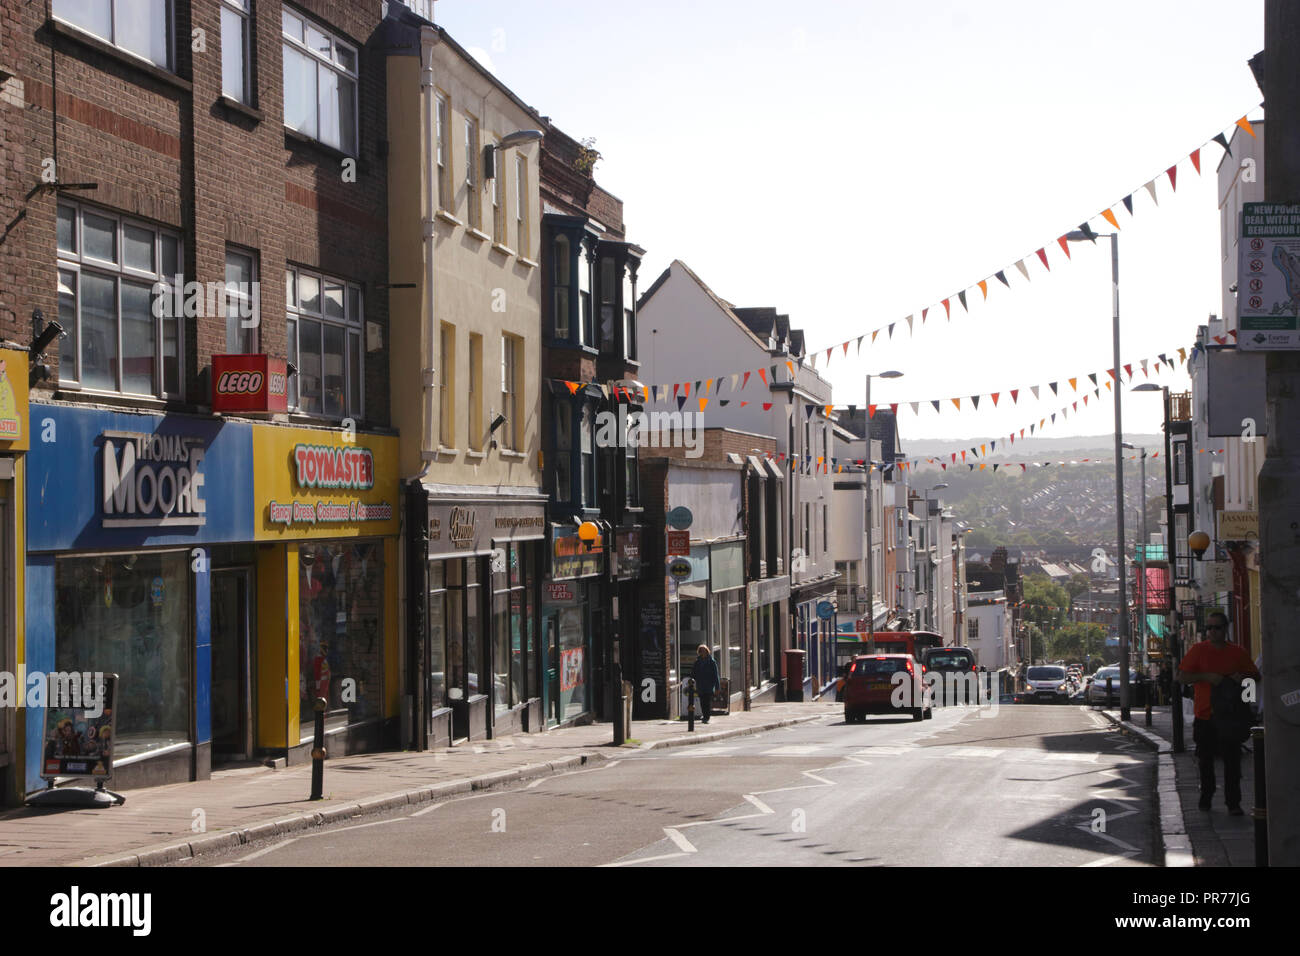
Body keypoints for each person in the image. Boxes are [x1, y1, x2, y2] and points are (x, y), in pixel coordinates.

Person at [1176, 611, 1261, 815]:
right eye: (1209, 628)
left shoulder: (1237, 653)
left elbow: (1254, 678)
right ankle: (1206, 797)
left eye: (1217, 627)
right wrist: (1207, 676)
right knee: (1205, 761)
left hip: (1230, 717)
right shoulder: (1198, 650)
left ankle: (1233, 803)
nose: (1213, 632)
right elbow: (1182, 677)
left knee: (1232, 762)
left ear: (1225, 629)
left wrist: (1243, 685)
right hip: (1205, 715)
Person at [691, 644, 720, 724]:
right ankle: (704, 715)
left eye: (704, 651)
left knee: (707, 701)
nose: (702, 652)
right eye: (701, 651)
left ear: (707, 652)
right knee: (702, 701)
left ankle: (706, 717)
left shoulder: (711, 662)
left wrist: (717, 687)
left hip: (709, 685)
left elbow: (715, 675)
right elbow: (694, 673)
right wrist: (691, 680)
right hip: (700, 685)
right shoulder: (697, 662)